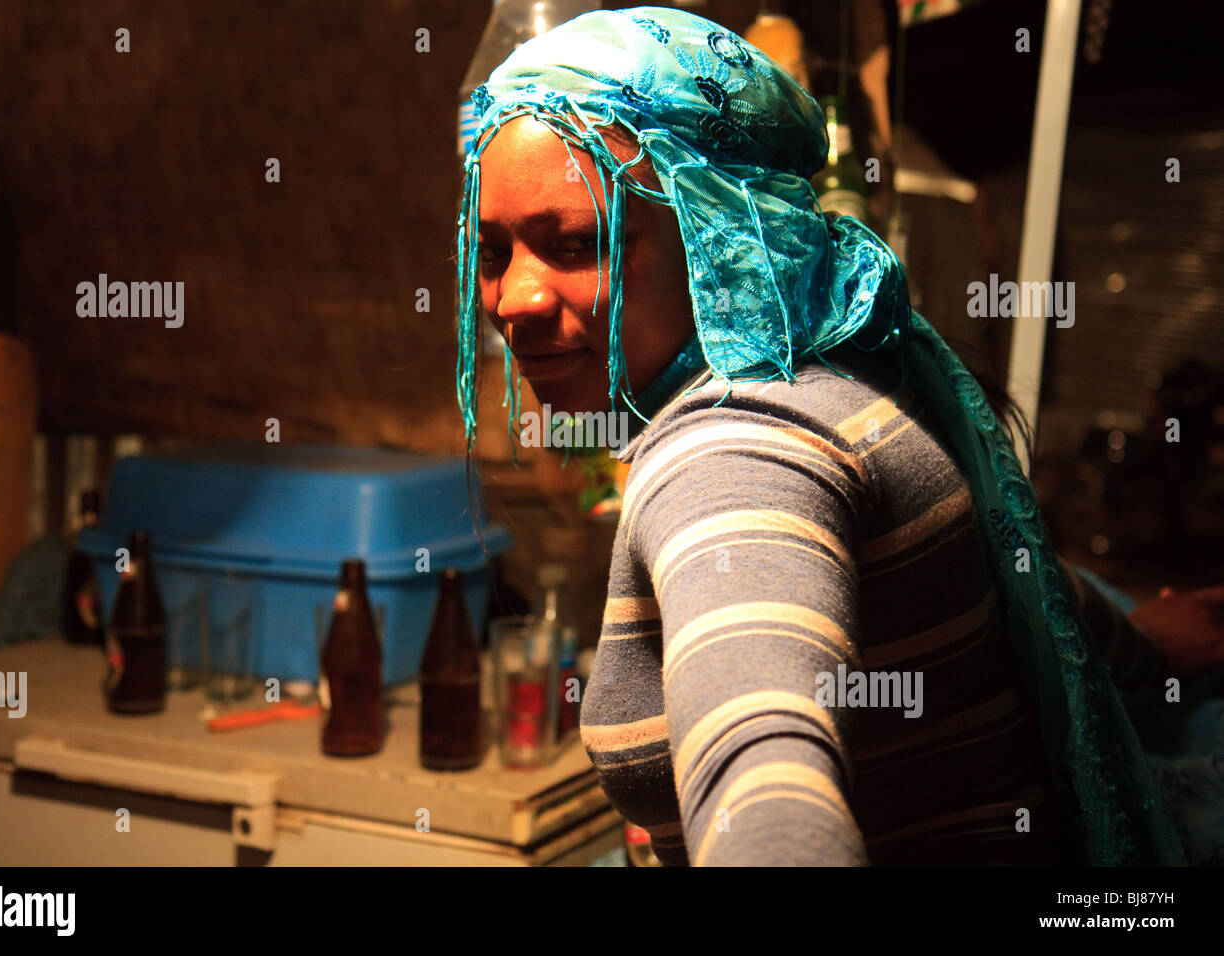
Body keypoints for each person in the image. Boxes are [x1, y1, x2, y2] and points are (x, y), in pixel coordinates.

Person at [453, 6, 1202, 865]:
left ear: (718, 232)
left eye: (576, 242)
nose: (512, 299)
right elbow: (1010, 571)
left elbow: (762, 772)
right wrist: (1140, 643)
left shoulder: (730, 451)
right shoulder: (845, 375)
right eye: (492, 251)